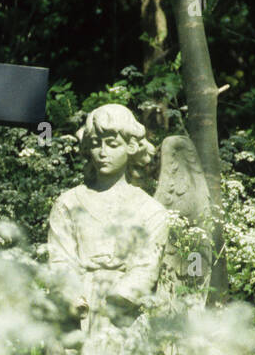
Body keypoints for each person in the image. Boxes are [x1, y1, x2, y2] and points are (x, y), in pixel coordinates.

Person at [47, 104, 169, 337]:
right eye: (95, 144)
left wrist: (119, 298)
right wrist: (72, 295)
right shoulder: (69, 203)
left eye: (112, 144)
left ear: (131, 147)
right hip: (76, 312)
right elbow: (60, 257)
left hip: (122, 315)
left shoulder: (150, 209)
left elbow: (147, 265)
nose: (102, 152)